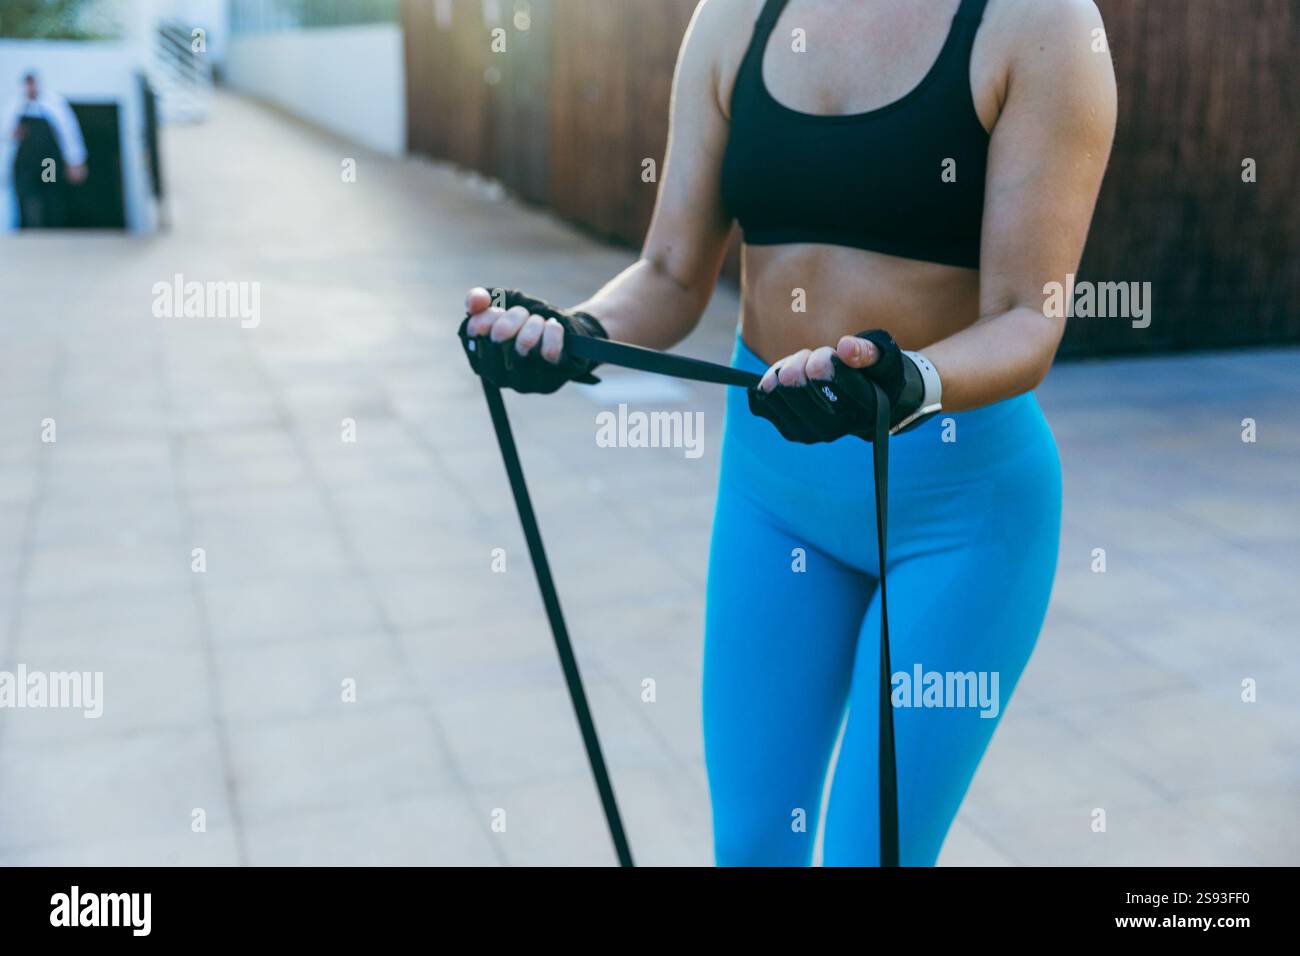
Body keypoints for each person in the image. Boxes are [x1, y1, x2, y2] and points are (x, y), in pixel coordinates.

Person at [460, 0, 1116, 866]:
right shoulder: (735, 17)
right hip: (774, 501)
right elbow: (668, 272)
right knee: (755, 847)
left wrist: (906, 383)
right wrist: (569, 335)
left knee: (865, 857)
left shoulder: (1041, 24)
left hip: (959, 517)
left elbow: (1028, 319)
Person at [5, 71, 88, 229]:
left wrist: (75, 160)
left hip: (47, 161)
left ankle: (51, 229)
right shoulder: (14, 105)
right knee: (25, 194)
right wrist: (13, 132)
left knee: (50, 192)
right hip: (25, 163)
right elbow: (5, 131)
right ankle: (27, 229)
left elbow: (68, 132)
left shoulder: (54, 103)